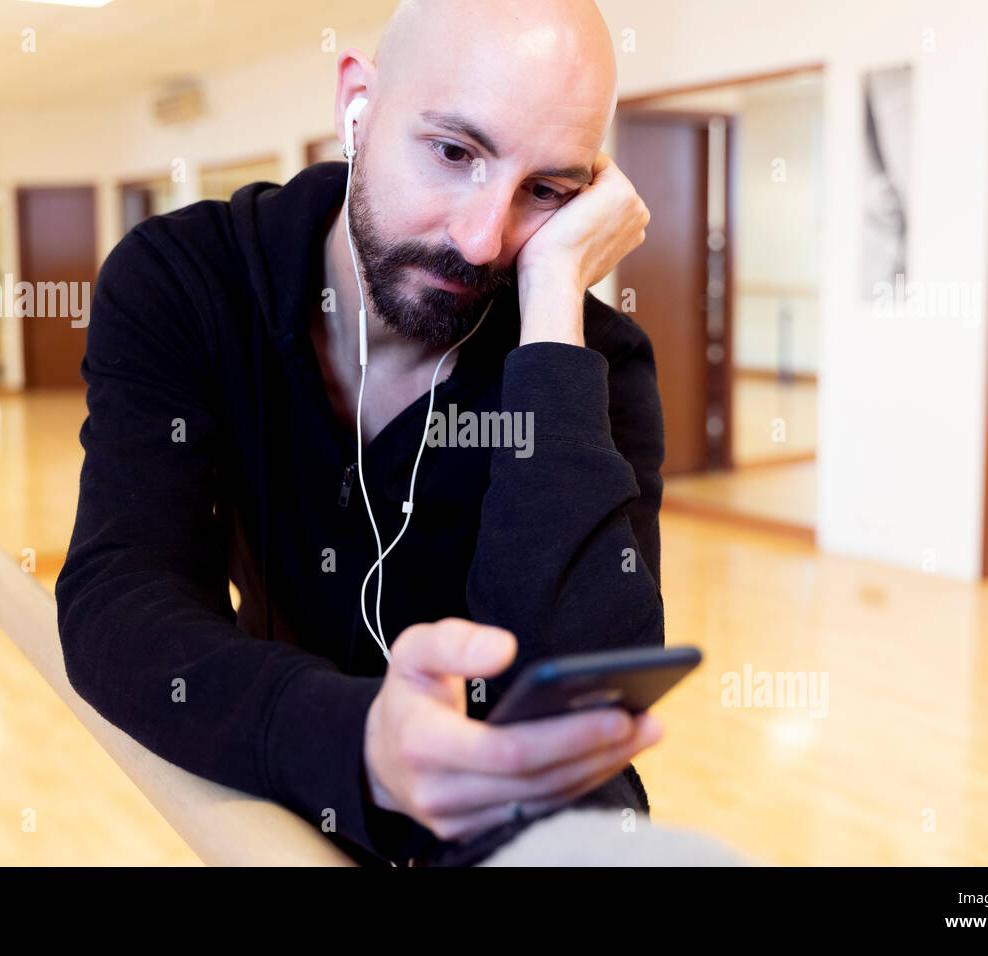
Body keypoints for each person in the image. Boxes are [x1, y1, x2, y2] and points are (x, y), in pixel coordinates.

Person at [56, 0, 663, 867]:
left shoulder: (589, 358)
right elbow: (121, 600)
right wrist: (359, 740)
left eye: (547, 192)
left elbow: (582, 702)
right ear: (358, 105)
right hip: (297, 801)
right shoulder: (186, 281)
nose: (483, 239)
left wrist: (555, 301)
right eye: (455, 153)